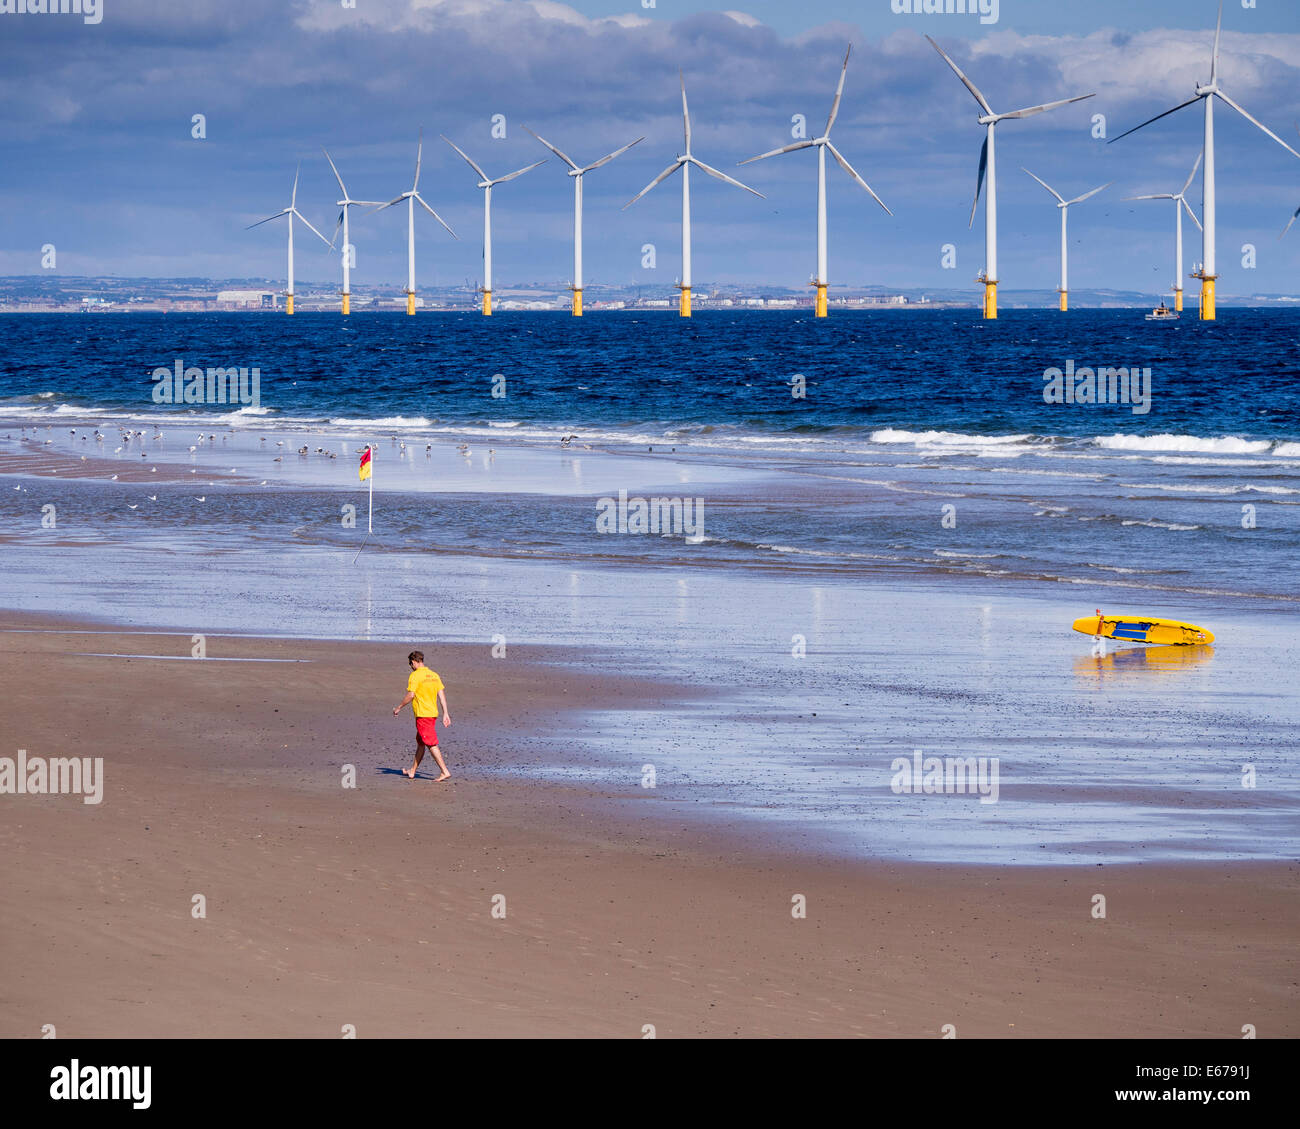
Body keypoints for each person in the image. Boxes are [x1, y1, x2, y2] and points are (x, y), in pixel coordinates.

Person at [393, 650, 452, 782]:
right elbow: (441, 695)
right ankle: (412, 771)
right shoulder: (434, 675)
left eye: (411, 664)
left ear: (414, 662)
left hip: (423, 715)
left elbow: (411, 695)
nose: (411, 667)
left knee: (431, 743)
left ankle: (444, 771)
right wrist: (445, 713)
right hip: (432, 714)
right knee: (421, 742)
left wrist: (399, 707)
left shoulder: (415, 676)